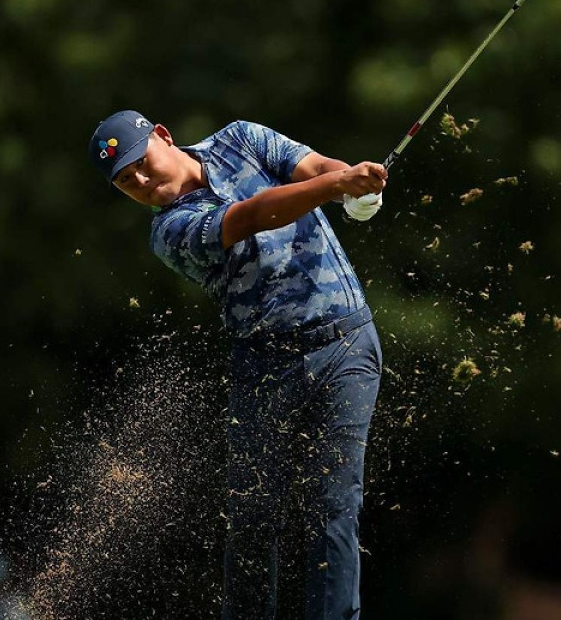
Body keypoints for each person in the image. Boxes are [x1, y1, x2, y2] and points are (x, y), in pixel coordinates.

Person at [88, 110, 385, 620]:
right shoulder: (169, 231)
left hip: (346, 343)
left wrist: (355, 186)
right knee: (252, 520)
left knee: (333, 509)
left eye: (140, 162)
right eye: (124, 182)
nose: (139, 181)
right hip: (265, 369)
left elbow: (312, 168)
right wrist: (340, 182)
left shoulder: (241, 139)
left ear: (163, 136)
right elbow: (254, 215)